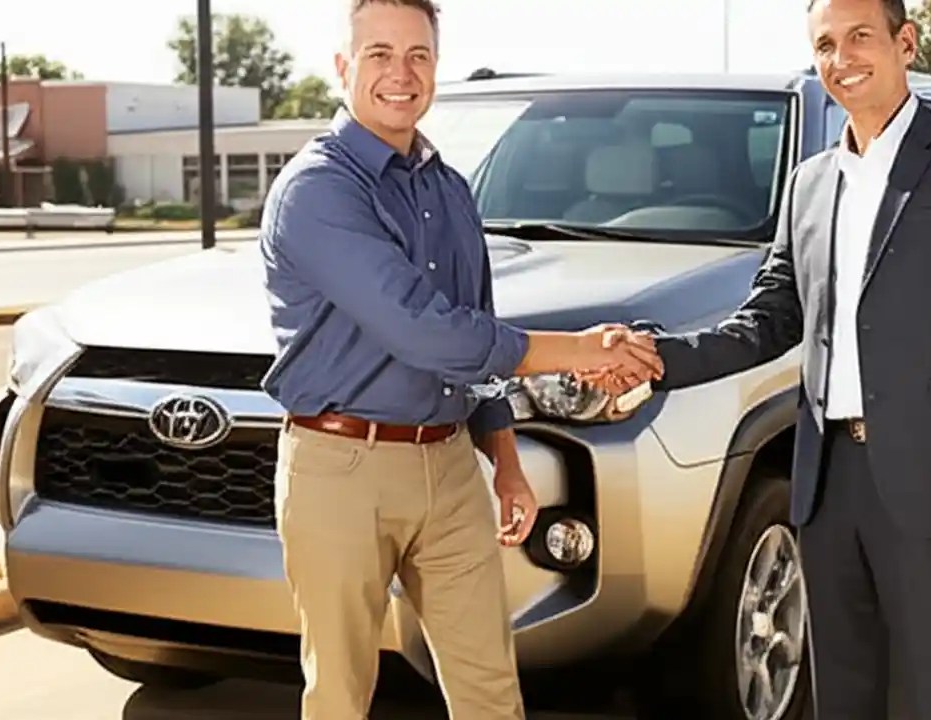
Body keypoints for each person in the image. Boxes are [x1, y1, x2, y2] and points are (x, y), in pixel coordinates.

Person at [599, 0, 931, 717]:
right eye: (826, 45)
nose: (842, 60)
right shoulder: (809, 184)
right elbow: (771, 317)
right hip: (828, 483)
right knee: (842, 693)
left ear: (905, 42)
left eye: (860, 37)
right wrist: (660, 359)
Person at [257, 2, 662, 719]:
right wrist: (581, 351)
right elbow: (428, 334)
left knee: (489, 691)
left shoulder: (446, 187)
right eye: (379, 54)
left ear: (435, 68)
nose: (400, 73)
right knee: (341, 697)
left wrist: (503, 458)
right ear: (344, 66)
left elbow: (476, 334)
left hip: (449, 468)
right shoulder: (317, 191)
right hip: (340, 469)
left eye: (418, 55)